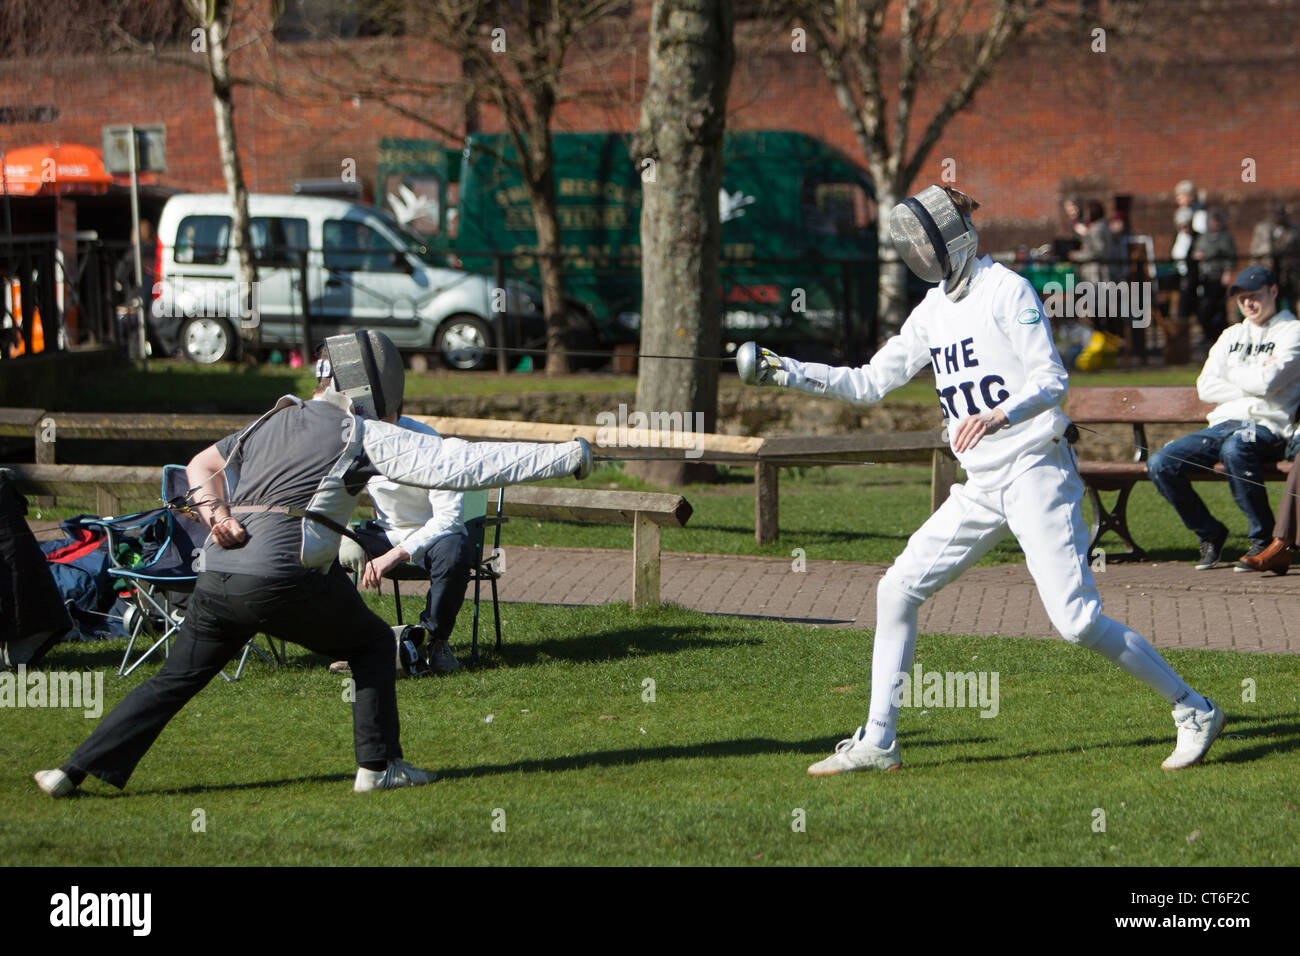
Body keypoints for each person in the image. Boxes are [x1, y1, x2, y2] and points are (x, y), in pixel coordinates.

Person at [738, 184, 1224, 775]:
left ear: (955, 235)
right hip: (981, 485)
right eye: (914, 242)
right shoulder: (932, 312)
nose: (922, 250)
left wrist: (997, 415)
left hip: (1035, 471)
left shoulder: (1007, 290)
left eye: (928, 238)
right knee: (897, 590)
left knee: (1076, 623)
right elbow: (867, 383)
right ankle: (879, 740)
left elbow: (1051, 381)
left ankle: (1192, 708)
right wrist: (785, 370)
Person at [34, 330, 592, 798]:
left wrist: (215, 515)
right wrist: (567, 454)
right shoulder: (361, 432)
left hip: (221, 574)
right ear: (374, 387)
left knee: (175, 678)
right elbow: (460, 464)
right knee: (374, 644)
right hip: (282, 577)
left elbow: (200, 463)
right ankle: (379, 768)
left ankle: (70, 770)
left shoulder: (271, 419)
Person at [314, 357, 473, 675]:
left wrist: (393, 557)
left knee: (455, 551)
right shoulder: (358, 442)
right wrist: (340, 533)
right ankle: (356, 641)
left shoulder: (429, 443)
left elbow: (449, 519)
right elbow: (326, 492)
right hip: (384, 531)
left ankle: (434, 641)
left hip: (433, 535)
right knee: (320, 550)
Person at [1147, 265, 1300, 569]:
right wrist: (1254, 380)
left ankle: (1263, 540)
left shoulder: (1293, 332)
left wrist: (1233, 373)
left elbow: (1269, 384)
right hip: (1222, 424)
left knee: (1236, 448)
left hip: (1267, 426)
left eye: (1254, 296)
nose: (1248, 304)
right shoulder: (1232, 334)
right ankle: (1210, 533)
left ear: (1273, 291)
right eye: (1242, 299)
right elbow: (1206, 386)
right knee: (1161, 463)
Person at [1192, 210, 1237, 345]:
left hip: (1219, 276)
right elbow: (1196, 252)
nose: (1215, 225)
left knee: (1220, 306)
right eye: (1213, 222)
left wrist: (1228, 272)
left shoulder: (1225, 238)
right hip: (1205, 276)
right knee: (1206, 305)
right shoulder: (1203, 238)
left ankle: (1220, 333)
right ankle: (1208, 333)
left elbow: (1230, 256)